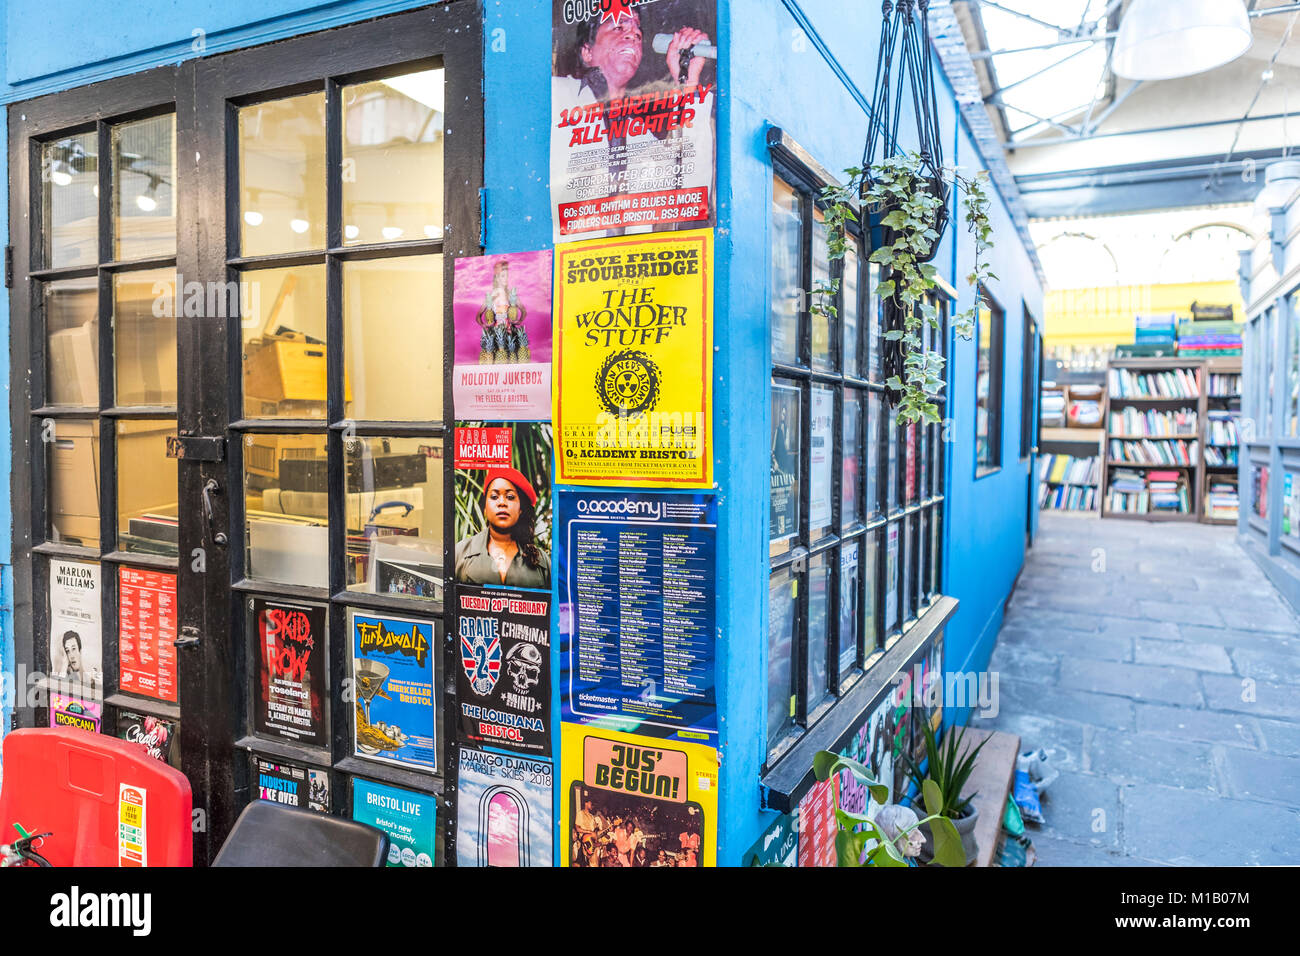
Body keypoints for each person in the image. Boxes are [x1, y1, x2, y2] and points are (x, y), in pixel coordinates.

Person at [551, 8, 715, 238]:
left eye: (637, 33)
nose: (632, 35)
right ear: (587, 52)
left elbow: (692, 191)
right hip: (560, 264)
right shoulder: (554, 96)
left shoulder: (641, 138)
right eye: (618, 27)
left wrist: (687, 82)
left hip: (625, 265)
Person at [454, 467, 550, 589]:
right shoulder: (460, 553)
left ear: (520, 509)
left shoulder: (542, 562)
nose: (502, 503)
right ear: (485, 508)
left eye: (510, 497)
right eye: (494, 496)